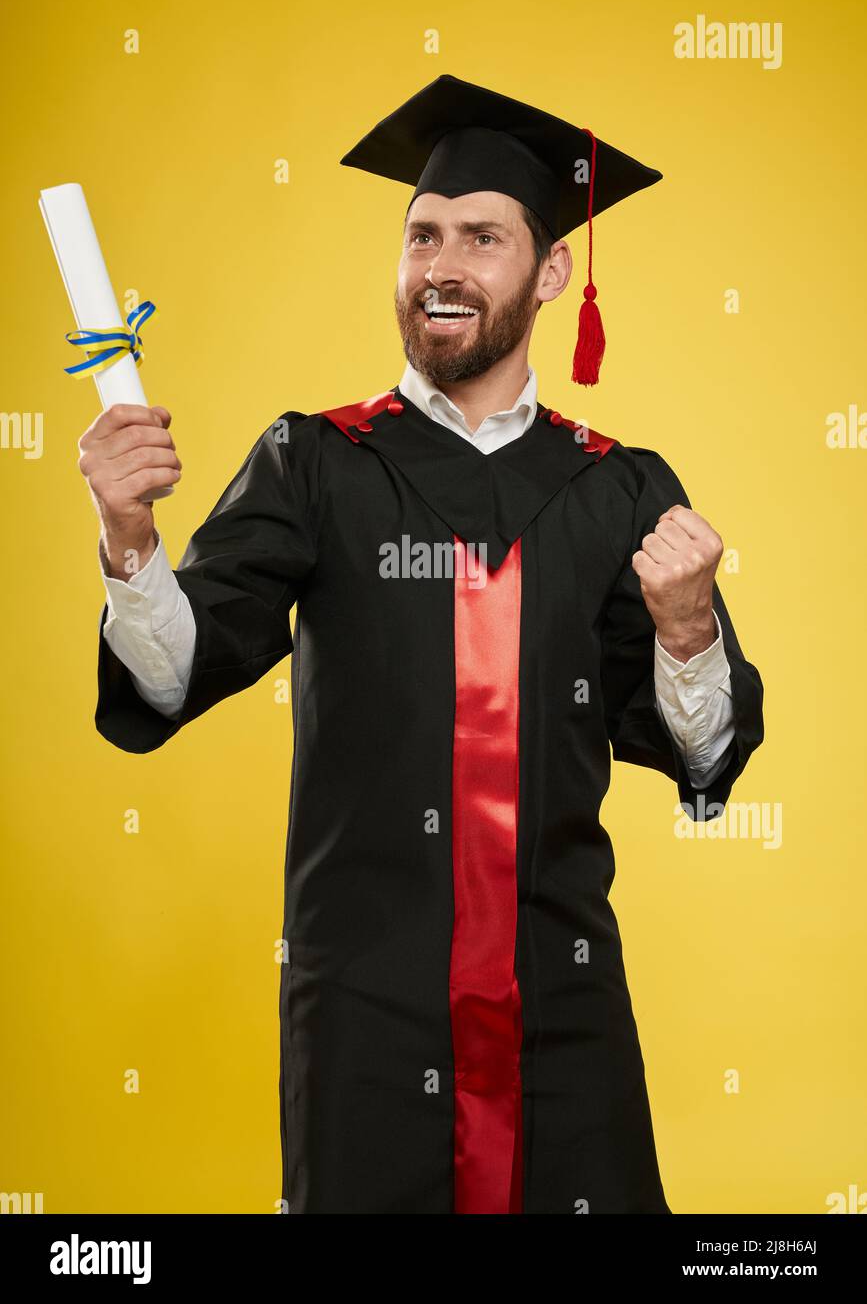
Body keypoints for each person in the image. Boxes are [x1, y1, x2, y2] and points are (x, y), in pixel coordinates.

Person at [80, 75, 764, 1214]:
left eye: (482, 238)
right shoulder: (315, 463)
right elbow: (171, 674)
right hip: (365, 1009)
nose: (441, 266)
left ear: (551, 275)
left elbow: (701, 758)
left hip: (562, 1000)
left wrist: (688, 628)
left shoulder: (618, 488)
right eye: (423, 236)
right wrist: (127, 537)